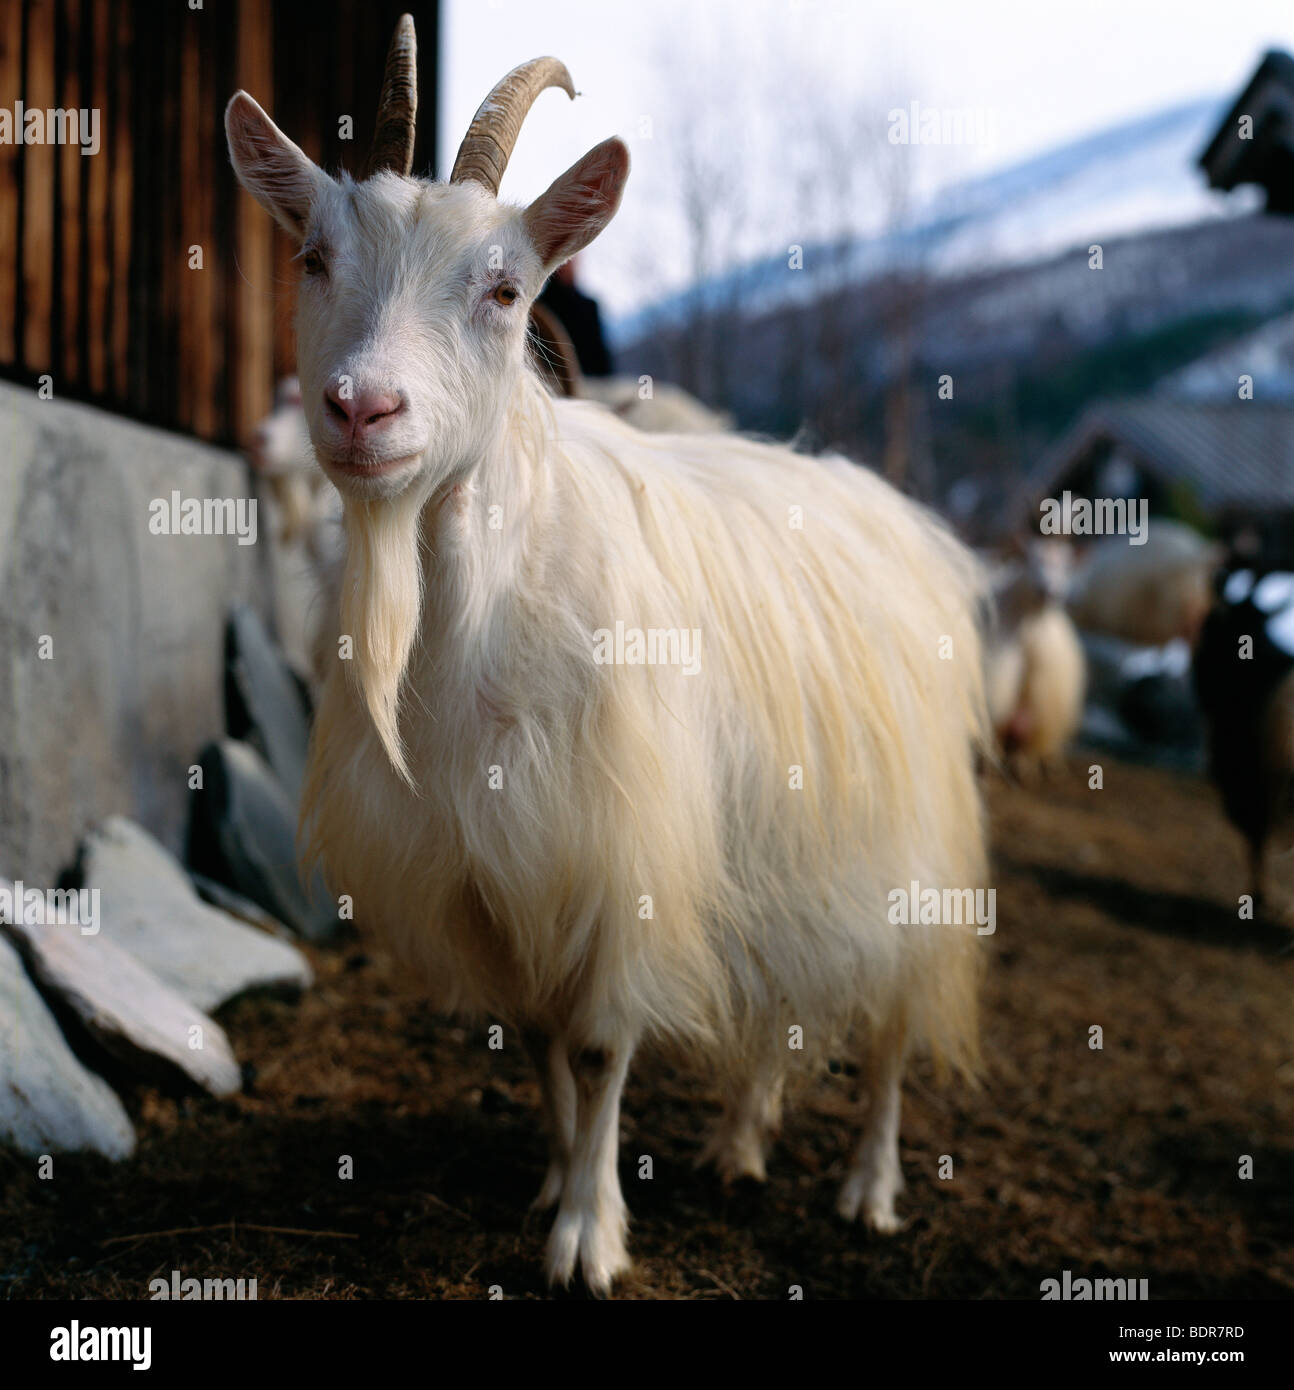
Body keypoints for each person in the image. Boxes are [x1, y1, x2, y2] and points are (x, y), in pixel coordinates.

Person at [538, 256, 613, 377]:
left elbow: (601, 359)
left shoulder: (588, 306)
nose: (569, 264)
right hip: (552, 384)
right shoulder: (539, 309)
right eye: (566, 259)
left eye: (573, 258)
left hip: (590, 384)